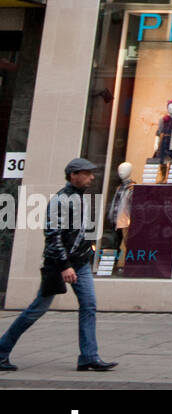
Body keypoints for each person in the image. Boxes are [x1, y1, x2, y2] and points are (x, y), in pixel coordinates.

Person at [0, 158, 117, 372]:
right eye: (87, 173)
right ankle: (1, 351)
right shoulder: (60, 200)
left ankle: (89, 357)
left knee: (89, 306)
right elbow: (52, 236)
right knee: (36, 310)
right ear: (74, 175)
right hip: (58, 265)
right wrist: (64, 266)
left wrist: (84, 255)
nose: (92, 177)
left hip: (79, 263)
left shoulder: (81, 198)